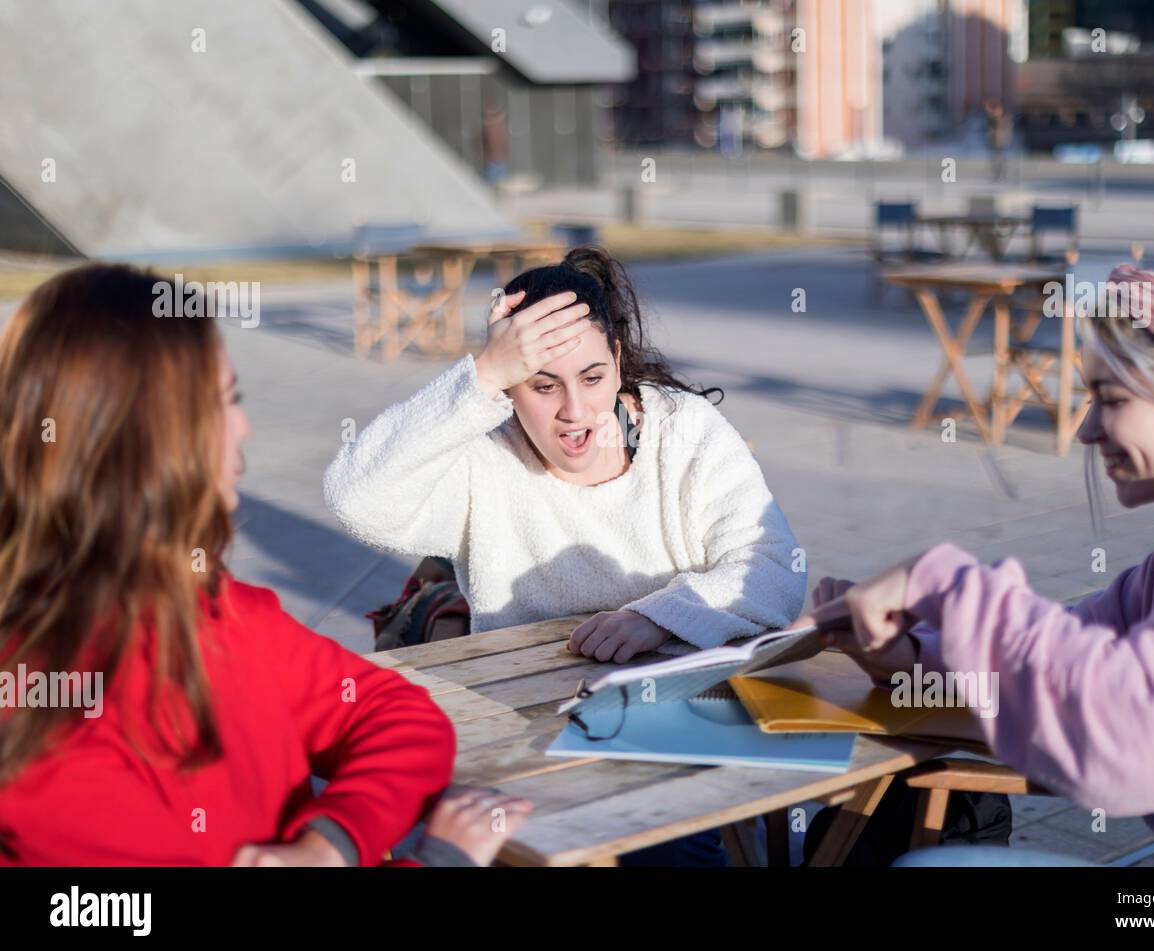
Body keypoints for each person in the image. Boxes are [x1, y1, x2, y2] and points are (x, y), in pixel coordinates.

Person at [800, 231, 1154, 866]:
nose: (1088, 430)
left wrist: (950, 585)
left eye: (1112, 401)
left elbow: (1133, 744)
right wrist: (903, 656)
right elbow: (1061, 652)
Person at [0, 264, 527, 866]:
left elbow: (397, 713)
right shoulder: (51, 719)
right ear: (151, 440)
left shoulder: (214, 611)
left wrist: (328, 845)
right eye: (224, 402)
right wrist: (440, 861)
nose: (244, 425)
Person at [325, 247, 806, 662]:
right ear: (510, 385)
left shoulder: (684, 428)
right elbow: (358, 502)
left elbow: (775, 568)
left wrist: (659, 618)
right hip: (521, 714)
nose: (575, 412)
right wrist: (482, 375)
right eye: (543, 385)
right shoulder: (484, 458)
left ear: (617, 363)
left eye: (593, 378)